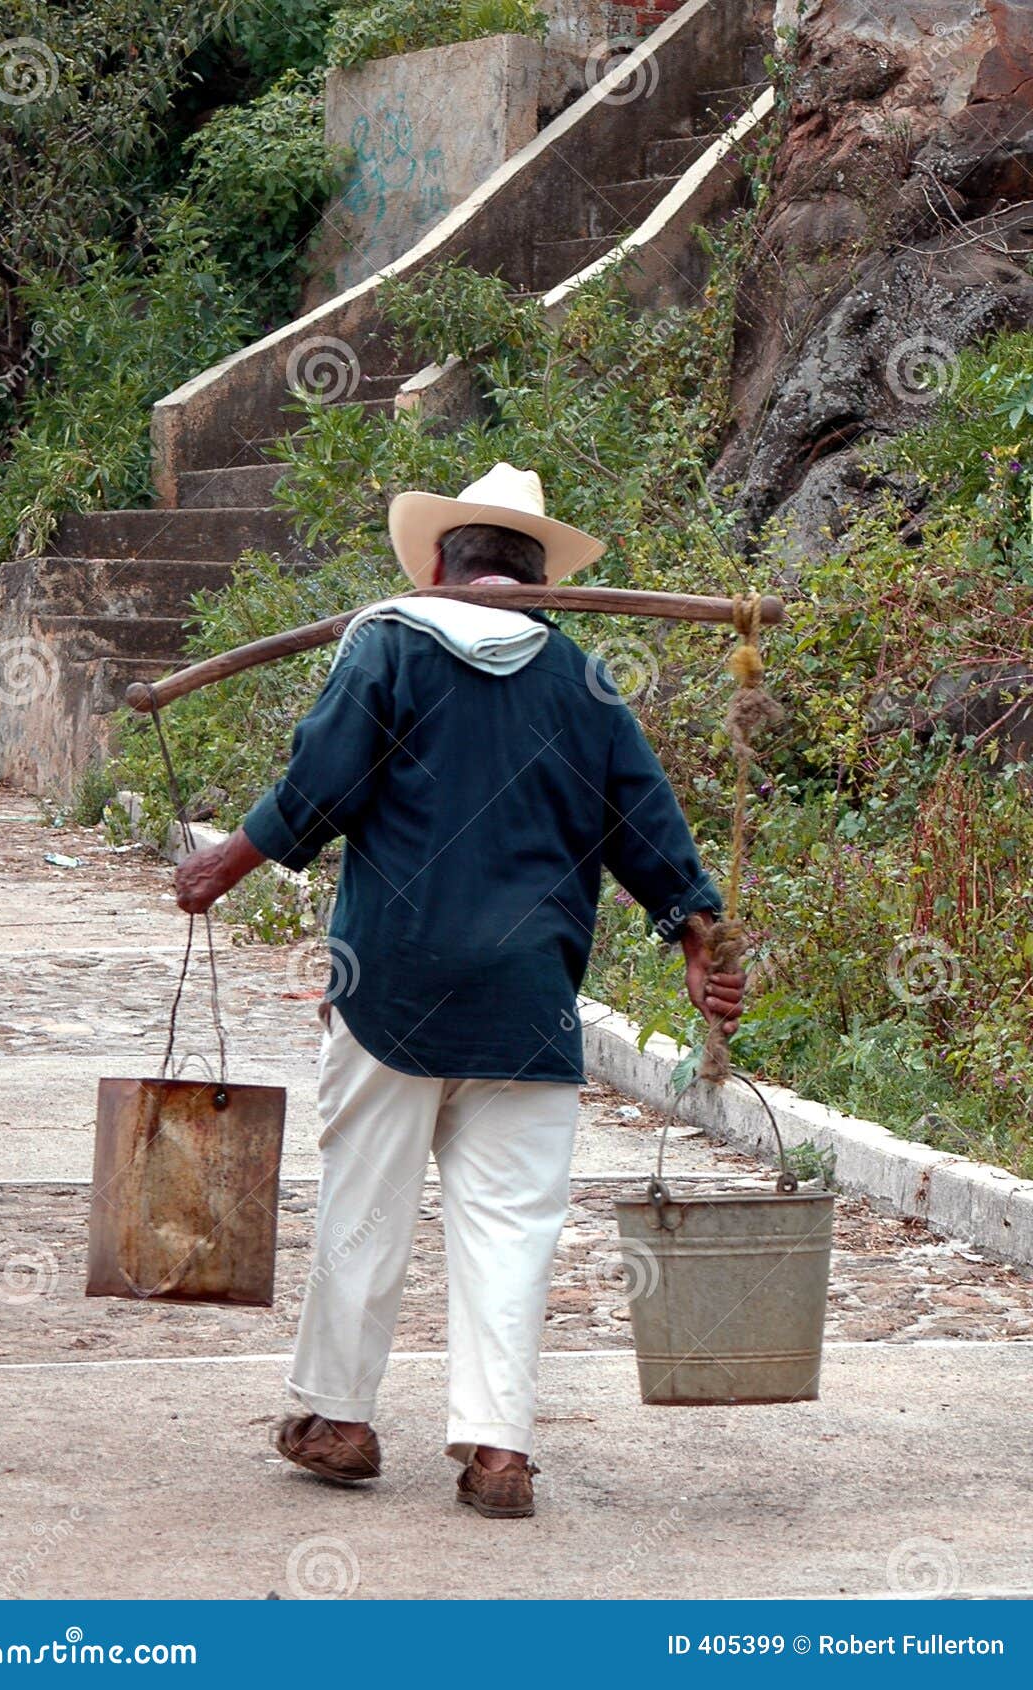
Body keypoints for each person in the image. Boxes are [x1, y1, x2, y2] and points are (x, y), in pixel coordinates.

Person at [174, 462, 745, 1519]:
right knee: (511, 1230)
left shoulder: (389, 644)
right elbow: (647, 827)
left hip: (392, 984)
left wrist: (222, 865)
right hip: (527, 1004)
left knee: (363, 1212)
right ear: (534, 578)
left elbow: (318, 783)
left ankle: (338, 1418)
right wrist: (693, 936)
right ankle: (498, 1453)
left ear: (440, 563)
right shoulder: (582, 681)